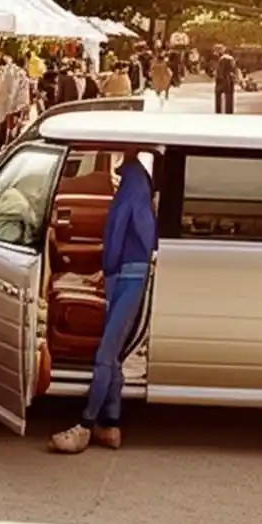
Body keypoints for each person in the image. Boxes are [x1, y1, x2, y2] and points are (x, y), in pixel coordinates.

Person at [50, 147, 157, 454]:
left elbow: (126, 235)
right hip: (126, 275)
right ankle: (110, 422)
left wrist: (109, 268)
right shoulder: (136, 183)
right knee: (113, 357)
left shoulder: (132, 185)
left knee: (106, 355)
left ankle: (86, 423)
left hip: (127, 278)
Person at [213, 45, 237, 114]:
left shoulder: (221, 59)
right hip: (230, 79)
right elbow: (234, 69)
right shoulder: (231, 58)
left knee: (218, 95)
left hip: (221, 79)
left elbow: (219, 71)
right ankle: (229, 111)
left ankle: (218, 111)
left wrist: (217, 77)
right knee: (229, 96)